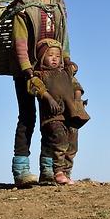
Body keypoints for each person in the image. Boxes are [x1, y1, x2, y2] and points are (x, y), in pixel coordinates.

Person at [10, 0, 78, 187]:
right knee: (28, 116)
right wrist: (28, 71)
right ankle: (21, 170)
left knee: (54, 117)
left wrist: (66, 61)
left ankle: (49, 169)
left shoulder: (59, 3)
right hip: (27, 70)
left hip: (55, 71)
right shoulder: (24, 3)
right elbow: (20, 42)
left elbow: (64, 37)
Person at [29, 39, 88, 185]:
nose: (54, 58)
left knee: (72, 141)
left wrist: (77, 101)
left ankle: (67, 172)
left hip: (70, 115)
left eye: (57, 55)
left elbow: (77, 87)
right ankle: (58, 171)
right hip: (52, 117)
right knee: (59, 139)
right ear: (42, 57)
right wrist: (49, 98)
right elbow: (35, 88)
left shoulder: (66, 73)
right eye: (50, 55)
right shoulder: (39, 75)